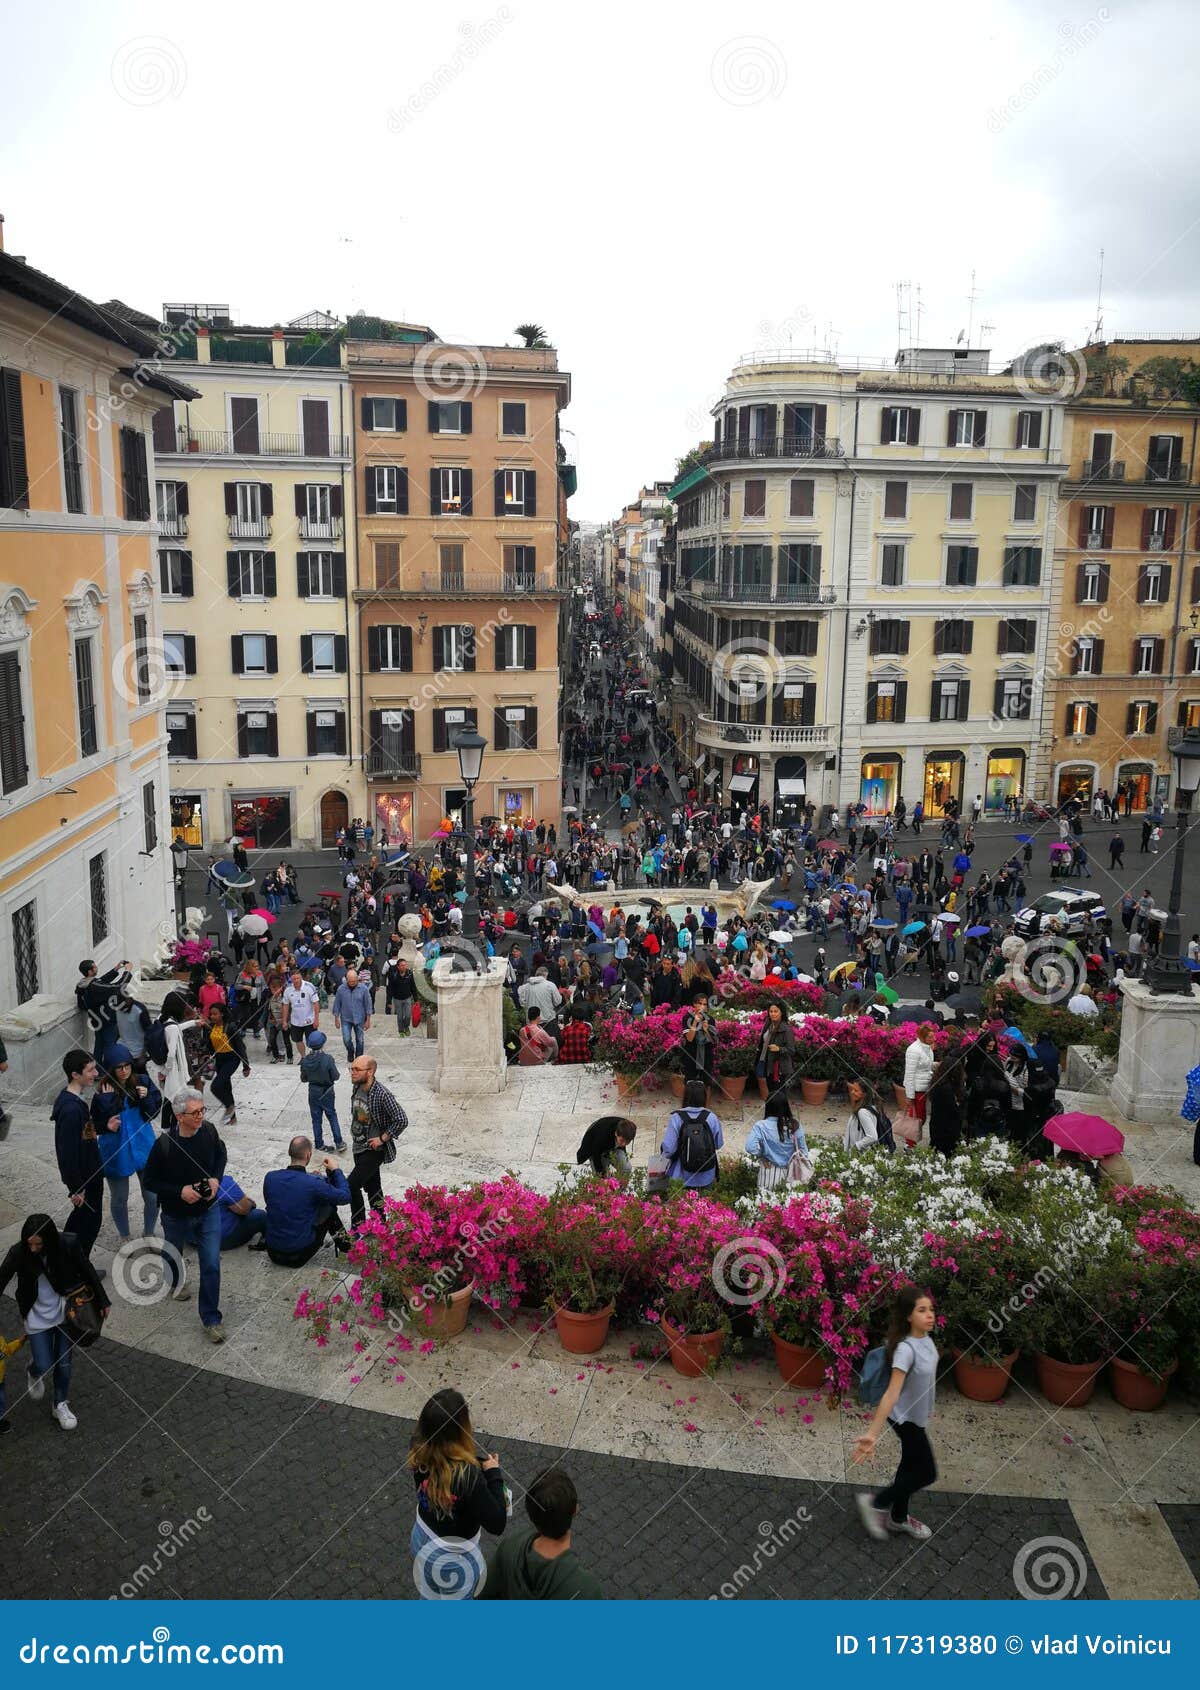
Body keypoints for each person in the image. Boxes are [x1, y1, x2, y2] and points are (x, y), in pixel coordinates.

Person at [0, 1214, 110, 1431]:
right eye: (29, 1243)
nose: (33, 1249)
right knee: (43, 1362)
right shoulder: (18, 1252)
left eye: (38, 1244)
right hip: (36, 1314)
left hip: (65, 1312)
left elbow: (87, 1269)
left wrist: (103, 1300)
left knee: (64, 1363)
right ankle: (34, 1370)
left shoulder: (68, 1243)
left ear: (49, 1240)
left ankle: (59, 1404)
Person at [853, 1287, 939, 1541]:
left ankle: (898, 1518)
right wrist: (872, 1434)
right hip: (905, 1419)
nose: (929, 1315)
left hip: (918, 1416)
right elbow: (891, 1394)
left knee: (910, 1465)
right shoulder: (906, 1350)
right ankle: (876, 1503)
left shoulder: (926, 1339)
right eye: (922, 1310)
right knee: (926, 1473)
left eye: (931, 1309)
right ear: (908, 1316)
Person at [142, 1089, 228, 1344]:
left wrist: (216, 1178)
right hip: (175, 1215)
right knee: (172, 1252)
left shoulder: (209, 1131)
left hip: (208, 1210)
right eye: (196, 1112)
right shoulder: (164, 1146)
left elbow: (221, 1154)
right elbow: (150, 1181)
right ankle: (174, 1282)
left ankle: (211, 1318)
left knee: (211, 1264)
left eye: (203, 1110)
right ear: (179, 1116)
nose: (201, 1116)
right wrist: (180, 1191)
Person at [408, 1388, 508, 1600]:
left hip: (421, 1540)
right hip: (454, 1559)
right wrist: (493, 1473)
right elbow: (497, 1523)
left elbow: (447, 1465)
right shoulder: (468, 1477)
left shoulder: (418, 1448)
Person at [480, 1469, 604, 1600]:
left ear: (530, 1513)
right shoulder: (586, 1590)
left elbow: (483, 1594)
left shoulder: (510, 1547)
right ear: (575, 1510)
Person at [91, 1045, 162, 1241]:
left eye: (127, 1066)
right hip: (116, 1150)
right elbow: (94, 1126)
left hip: (143, 1145)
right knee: (120, 1198)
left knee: (152, 1196)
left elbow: (153, 1112)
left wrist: (146, 1098)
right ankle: (124, 1236)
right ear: (111, 1069)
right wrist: (107, 1103)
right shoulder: (102, 1093)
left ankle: (149, 1232)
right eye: (119, 1067)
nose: (124, 1071)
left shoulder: (143, 1082)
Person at [262, 1136, 352, 1266]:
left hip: (273, 1251)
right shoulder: (313, 1183)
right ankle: (347, 1247)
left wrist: (312, 1179)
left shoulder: (270, 1177)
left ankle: (345, 1245)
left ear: (289, 1152)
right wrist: (336, 1170)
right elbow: (345, 1196)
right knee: (329, 1205)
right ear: (308, 1155)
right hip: (298, 1254)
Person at [52, 1048, 103, 1259]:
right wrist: (77, 1187)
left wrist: (104, 1126)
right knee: (88, 1226)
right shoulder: (71, 1110)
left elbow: (85, 1135)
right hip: (85, 1179)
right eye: (90, 1070)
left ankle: (72, 1265)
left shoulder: (75, 1102)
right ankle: (77, 1271)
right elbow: (67, 1153)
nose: (95, 1073)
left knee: (81, 1222)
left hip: (89, 1174)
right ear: (75, 1074)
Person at [347, 1055, 407, 1229]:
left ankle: (358, 1226)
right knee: (373, 1189)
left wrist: (382, 1138)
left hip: (373, 1151)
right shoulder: (357, 1086)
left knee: (351, 1185)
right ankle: (381, 1224)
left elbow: (401, 1119)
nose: (352, 1073)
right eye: (352, 1069)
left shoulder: (382, 1094)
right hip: (358, 1147)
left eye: (357, 1069)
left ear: (370, 1071)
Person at [661, 1079, 722, 1189]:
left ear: (686, 1097)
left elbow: (669, 1149)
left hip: (681, 1177)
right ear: (704, 1097)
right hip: (706, 1176)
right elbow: (718, 1144)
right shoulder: (712, 1118)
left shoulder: (677, 1118)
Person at [745, 1092, 808, 1193]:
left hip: (767, 1172)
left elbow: (750, 1147)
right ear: (786, 1106)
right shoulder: (795, 1125)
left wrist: (762, 1154)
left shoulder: (760, 1126)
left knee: (765, 1204)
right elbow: (804, 1152)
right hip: (791, 1173)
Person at [75, 958, 132, 1067]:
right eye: (95, 967)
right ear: (90, 972)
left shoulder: (82, 984)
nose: (97, 967)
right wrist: (127, 972)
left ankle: (98, 1070)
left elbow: (101, 982)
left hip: (96, 1020)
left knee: (99, 1046)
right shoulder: (94, 986)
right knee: (110, 1046)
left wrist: (116, 969)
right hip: (107, 1020)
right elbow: (118, 987)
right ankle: (110, 1070)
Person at [205, 1003, 250, 1128]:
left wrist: (246, 1066)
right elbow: (209, 1045)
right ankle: (233, 1118)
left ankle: (229, 1107)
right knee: (226, 1087)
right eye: (211, 1014)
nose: (212, 1016)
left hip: (231, 1059)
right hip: (219, 1059)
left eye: (215, 1014)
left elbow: (240, 1047)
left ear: (222, 1014)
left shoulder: (230, 1027)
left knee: (216, 1086)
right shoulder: (210, 1027)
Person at [299, 1030, 345, 1151]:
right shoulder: (328, 1059)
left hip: (313, 1091)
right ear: (323, 1044)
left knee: (316, 1119)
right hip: (327, 1091)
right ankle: (339, 1142)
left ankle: (319, 1144)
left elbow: (303, 1079)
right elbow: (336, 1076)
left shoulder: (305, 1060)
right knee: (332, 1115)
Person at [902, 1023, 936, 1143]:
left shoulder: (927, 1048)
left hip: (924, 1087)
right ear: (923, 1037)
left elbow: (926, 1065)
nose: (934, 1039)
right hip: (917, 1089)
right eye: (931, 1037)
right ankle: (910, 1143)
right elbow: (910, 1073)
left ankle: (912, 1141)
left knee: (921, 1117)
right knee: (916, 1118)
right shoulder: (914, 1050)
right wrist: (909, 1095)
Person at [215, 1173, 267, 1251]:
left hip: (192, 1237)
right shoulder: (223, 1182)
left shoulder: (190, 1180)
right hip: (219, 1240)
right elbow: (245, 1210)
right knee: (260, 1215)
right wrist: (249, 1202)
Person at [332, 967, 373, 1061]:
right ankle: (350, 1051)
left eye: (355, 981)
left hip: (360, 1018)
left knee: (360, 1040)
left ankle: (359, 1059)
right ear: (346, 980)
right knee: (346, 1039)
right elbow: (337, 1004)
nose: (353, 983)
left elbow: (368, 1004)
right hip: (346, 1019)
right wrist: (336, 1019)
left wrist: (368, 1020)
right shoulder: (341, 989)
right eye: (350, 981)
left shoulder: (363, 989)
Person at [755, 999, 795, 1094]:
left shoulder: (786, 1029)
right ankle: (773, 1108)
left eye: (776, 1011)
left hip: (779, 1067)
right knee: (771, 1091)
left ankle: (780, 1109)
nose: (773, 1014)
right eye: (771, 1011)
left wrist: (779, 1049)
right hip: (767, 1063)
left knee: (779, 1094)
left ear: (782, 1013)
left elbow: (791, 1050)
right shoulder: (768, 1024)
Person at [925, 1060, 963, 1157]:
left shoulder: (938, 1083)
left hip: (937, 1125)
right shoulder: (946, 1089)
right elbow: (954, 1111)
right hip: (947, 1129)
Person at [679, 990, 715, 1090]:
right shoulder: (687, 1018)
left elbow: (713, 1041)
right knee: (689, 1084)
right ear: (694, 1004)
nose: (702, 1007)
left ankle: (705, 1105)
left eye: (705, 1004)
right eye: (700, 1003)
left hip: (706, 1056)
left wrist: (706, 1030)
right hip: (691, 1055)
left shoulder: (710, 1019)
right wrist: (695, 1022)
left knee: (706, 1085)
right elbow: (689, 1038)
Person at [282, 968, 321, 1058]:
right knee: (297, 1040)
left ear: (301, 977)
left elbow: (316, 1003)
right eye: (294, 979)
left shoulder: (309, 987)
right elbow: (285, 1005)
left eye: (298, 978)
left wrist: (316, 1019)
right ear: (291, 979)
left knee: (312, 1040)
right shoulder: (288, 990)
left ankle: (313, 1057)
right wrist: (284, 1021)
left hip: (309, 1020)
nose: (296, 981)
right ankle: (303, 1057)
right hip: (295, 1021)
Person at [844, 1078, 889, 1152]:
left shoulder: (863, 1112)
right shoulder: (873, 1106)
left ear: (864, 1094)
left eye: (856, 1090)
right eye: (852, 1089)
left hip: (860, 1155)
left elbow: (872, 1137)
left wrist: (855, 1147)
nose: (852, 1092)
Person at [0, 1325, 27, 1433]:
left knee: (1, 1401)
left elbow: (7, 1350)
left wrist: (20, 1341)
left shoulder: (0, 1341)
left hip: (0, 1380)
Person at [390, 956, 418, 1036]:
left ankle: (406, 1027)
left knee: (408, 1016)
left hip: (407, 998)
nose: (404, 967)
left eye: (405, 965)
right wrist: (389, 1000)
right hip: (397, 999)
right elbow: (390, 988)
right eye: (402, 965)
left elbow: (413, 986)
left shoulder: (409, 973)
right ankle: (401, 1031)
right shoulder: (394, 975)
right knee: (400, 1016)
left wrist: (416, 999)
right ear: (398, 966)